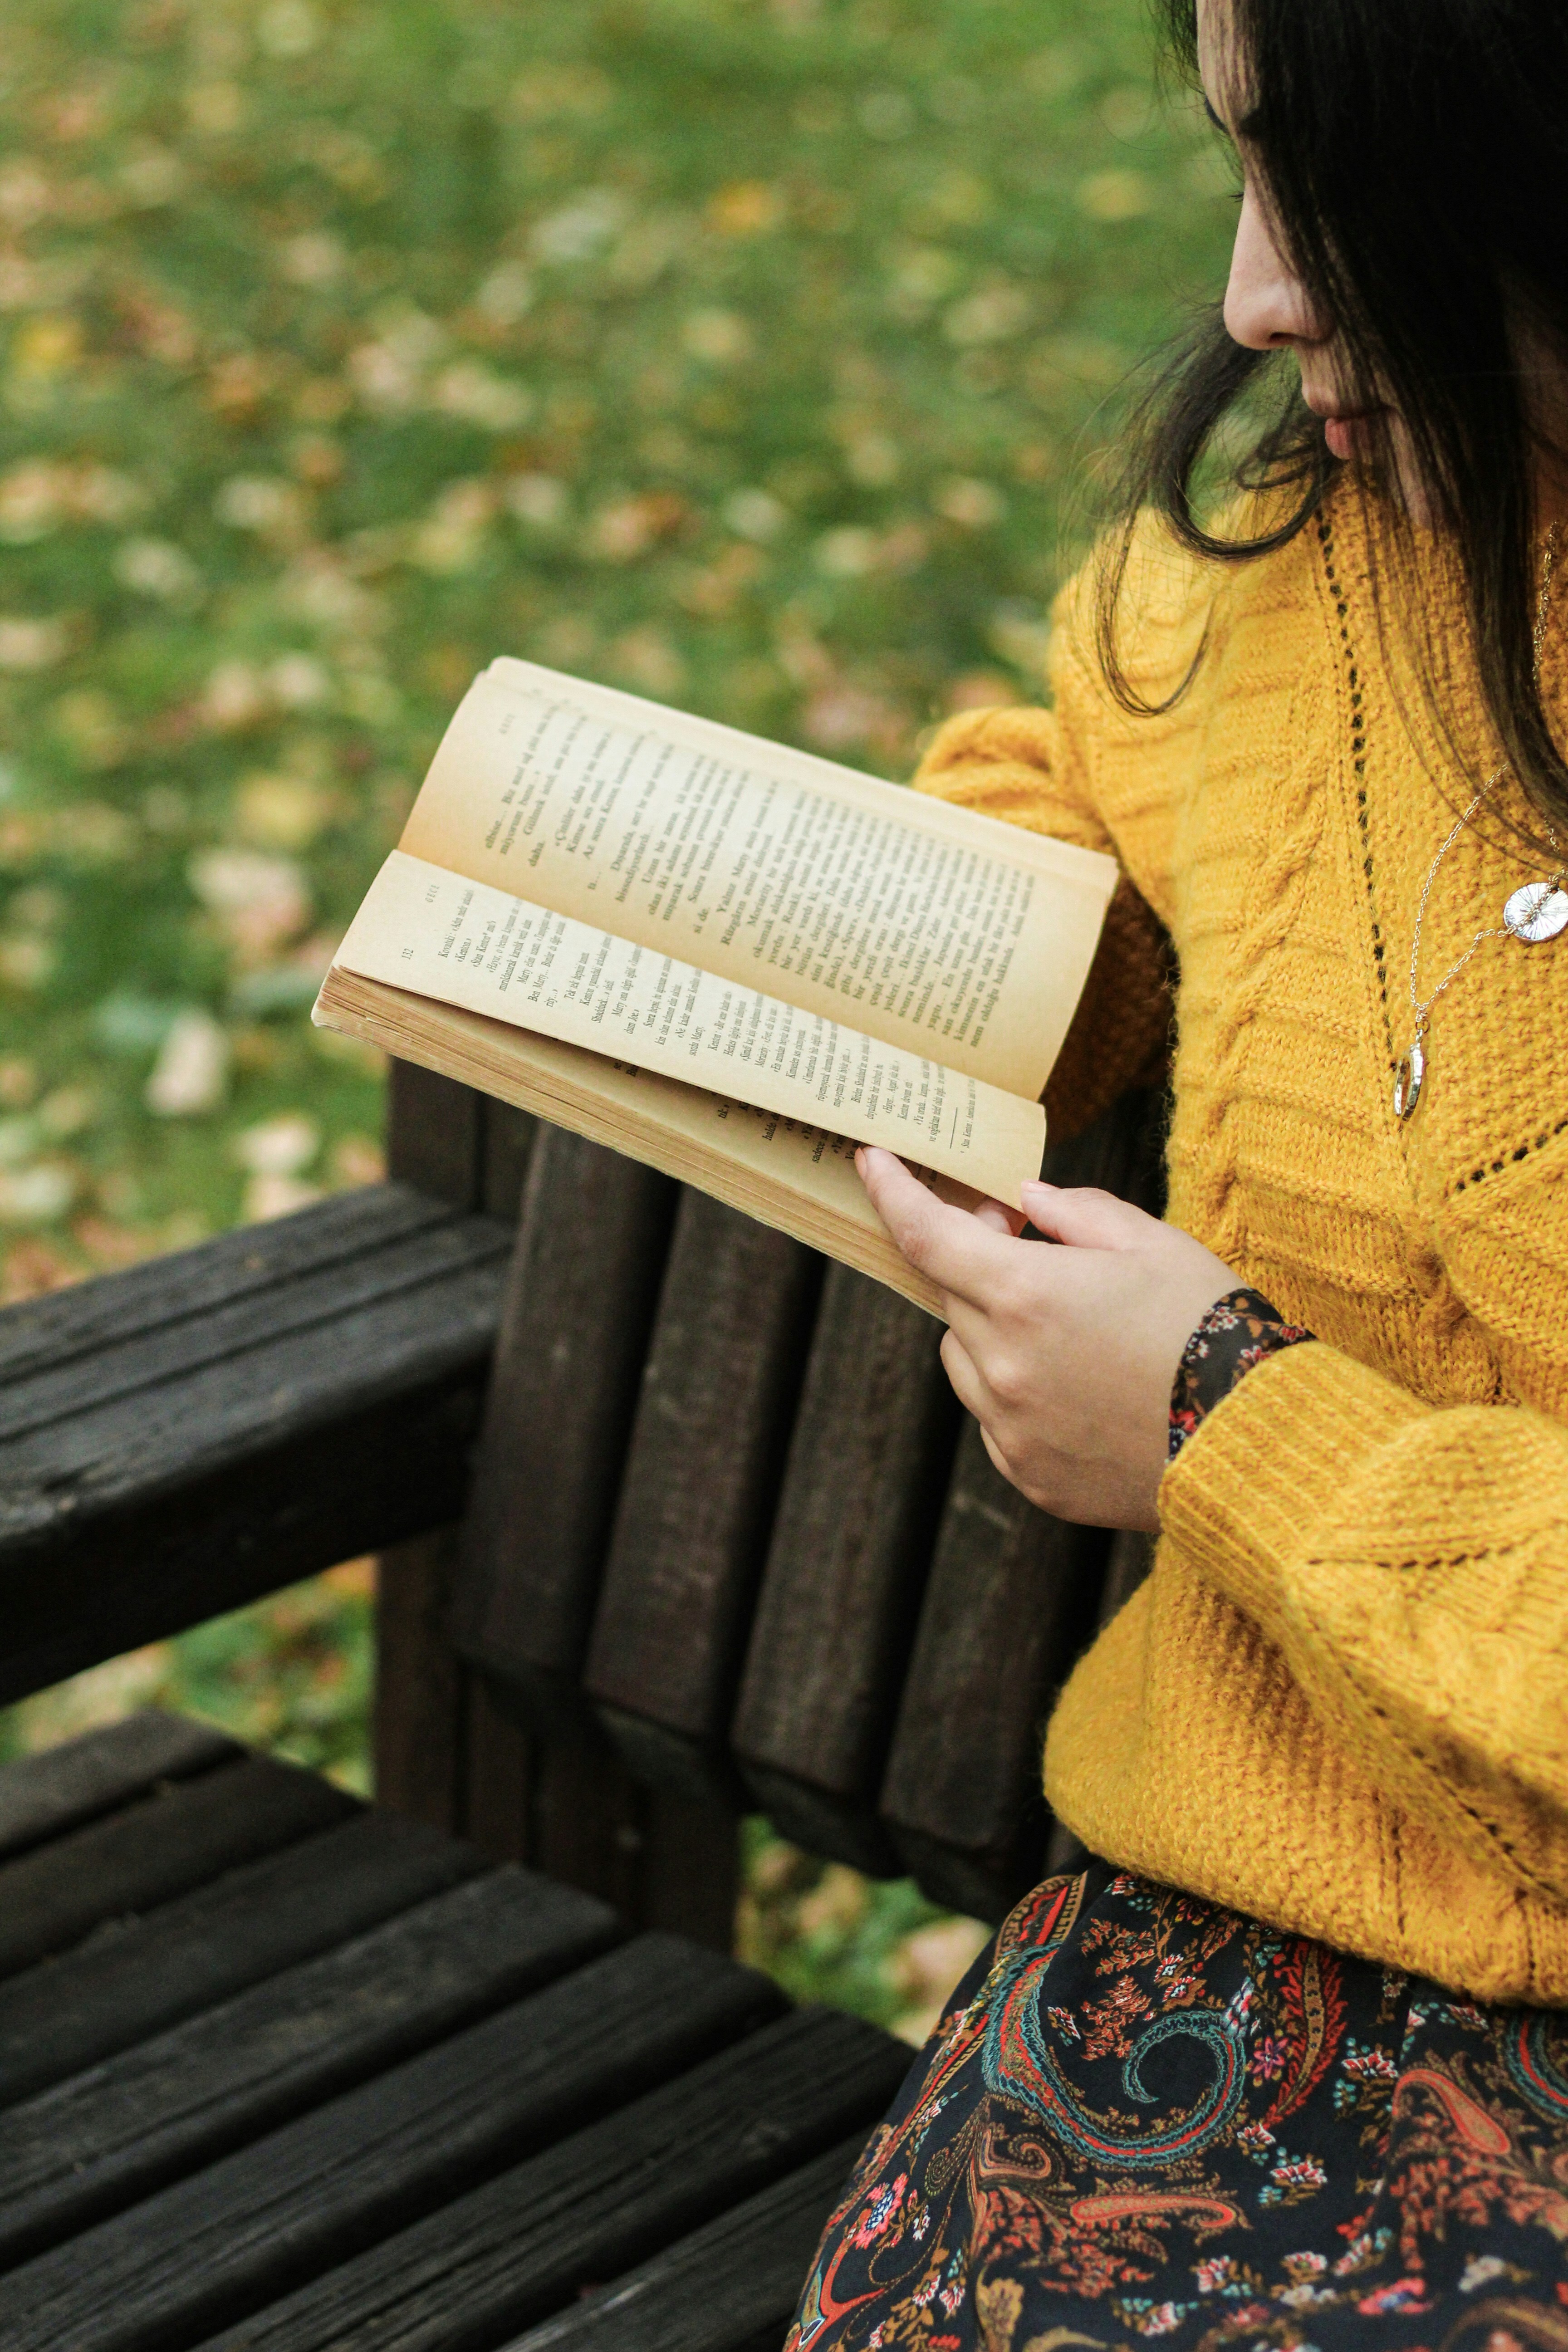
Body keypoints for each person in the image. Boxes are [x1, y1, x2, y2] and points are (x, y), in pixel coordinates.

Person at [787, 0, 1568, 2342]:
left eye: (1354, 195)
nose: (1252, 297)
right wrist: (1016, 946)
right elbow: (1078, 755)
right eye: (1244, 163)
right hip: (1199, 1969)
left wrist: (1227, 1414)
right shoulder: (1273, 584)